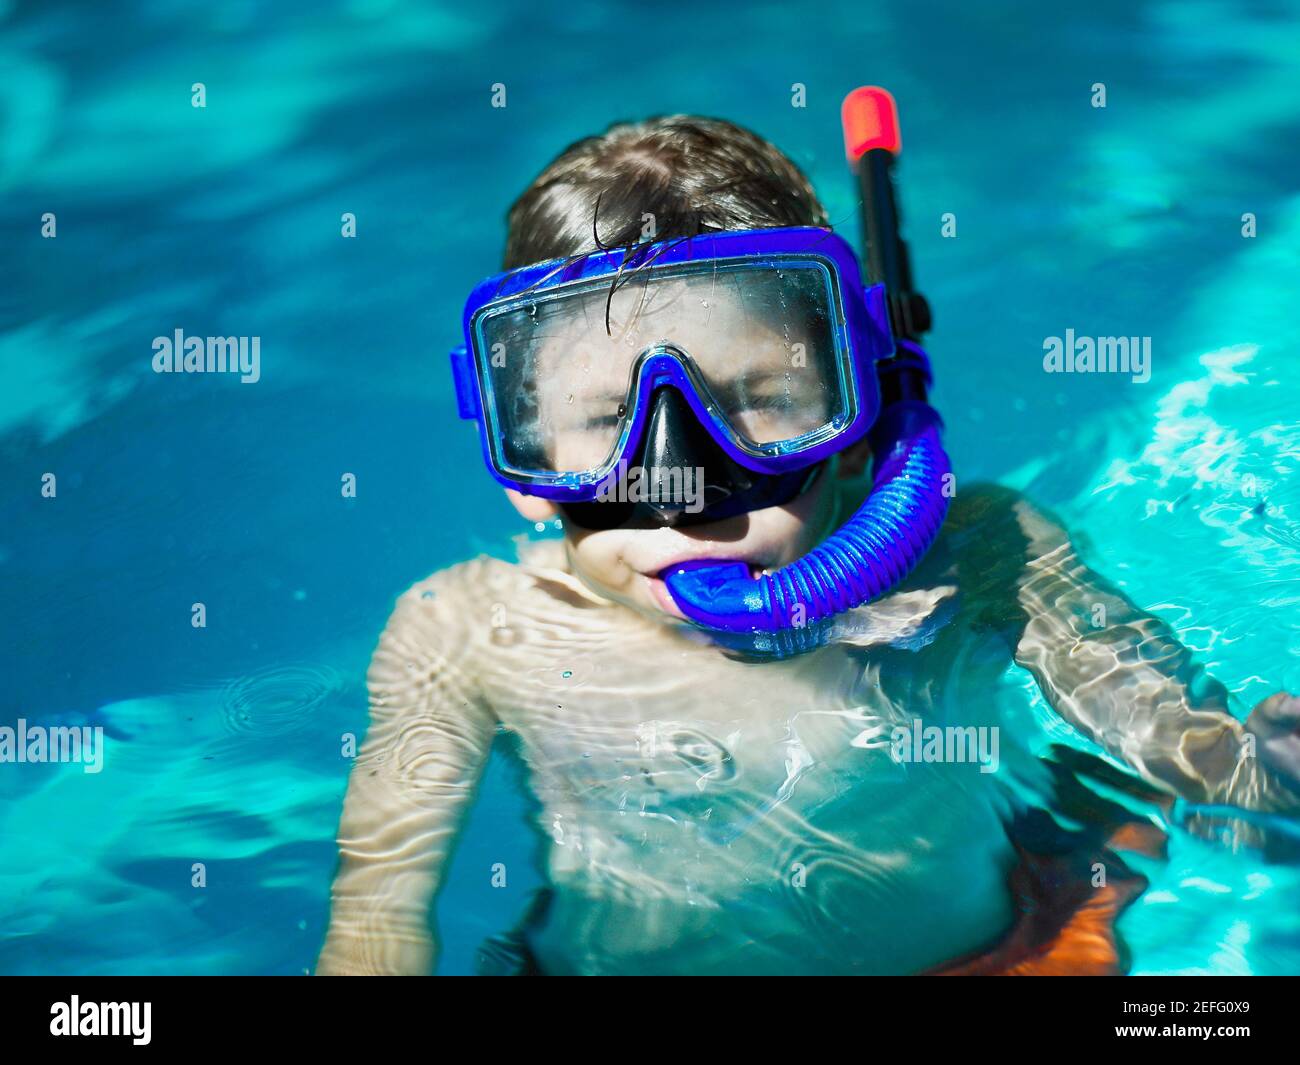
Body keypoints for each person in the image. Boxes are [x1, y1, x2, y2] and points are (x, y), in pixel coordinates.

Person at [317, 96, 1300, 976]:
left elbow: (1183, 757)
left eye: (757, 403)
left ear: (861, 415)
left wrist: (1263, 772)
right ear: (522, 465)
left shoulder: (975, 547)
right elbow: (375, 920)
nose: (682, 486)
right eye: (603, 418)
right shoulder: (465, 629)